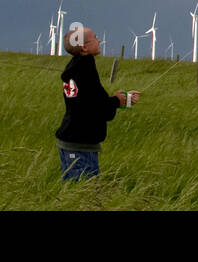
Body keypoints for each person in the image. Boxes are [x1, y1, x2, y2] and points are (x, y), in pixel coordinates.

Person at [55, 24, 138, 181]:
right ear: (84, 48)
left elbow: (88, 101)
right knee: (85, 194)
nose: (99, 40)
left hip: (70, 141)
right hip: (80, 144)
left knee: (72, 190)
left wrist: (115, 100)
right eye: (95, 38)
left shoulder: (75, 68)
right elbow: (96, 107)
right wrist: (116, 101)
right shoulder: (85, 70)